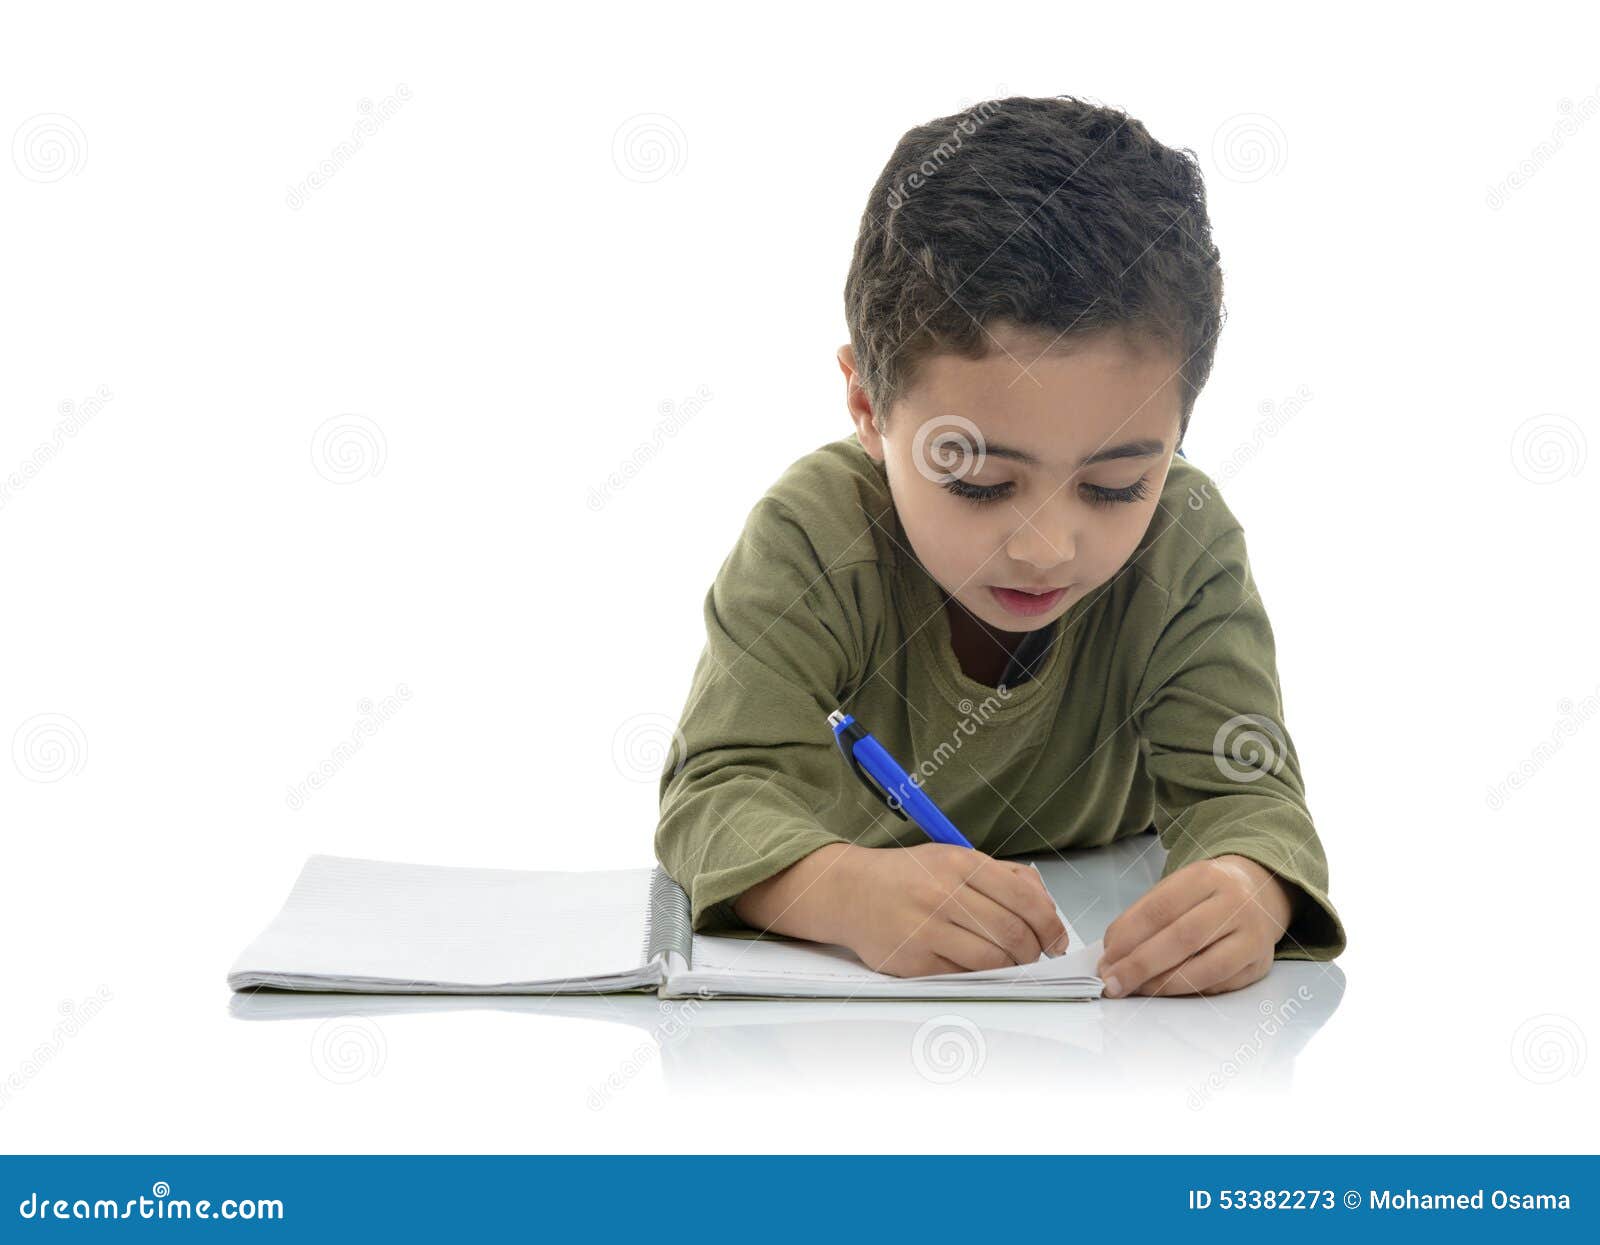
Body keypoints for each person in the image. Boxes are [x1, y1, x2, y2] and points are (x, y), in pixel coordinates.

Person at [655, 95, 1345, 998]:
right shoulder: (816, 536)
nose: (1045, 548)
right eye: (979, 482)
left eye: (1115, 484)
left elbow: (1248, 797)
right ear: (867, 406)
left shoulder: (1185, 546)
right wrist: (843, 890)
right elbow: (715, 787)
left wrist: (1252, 888)